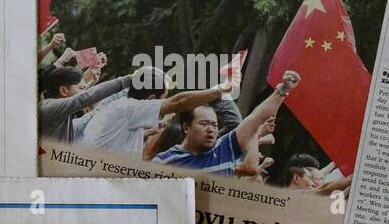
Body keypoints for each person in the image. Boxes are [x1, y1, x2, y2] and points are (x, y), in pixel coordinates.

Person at [156, 70, 300, 175]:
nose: (210, 129)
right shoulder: (163, 162)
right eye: (204, 123)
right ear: (186, 127)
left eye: (214, 125)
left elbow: (256, 118)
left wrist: (282, 90)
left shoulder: (225, 148)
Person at [80, 72, 235, 156]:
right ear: (152, 98)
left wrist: (148, 133)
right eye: (163, 98)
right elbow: (180, 102)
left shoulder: (123, 108)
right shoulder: (130, 108)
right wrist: (220, 91)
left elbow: (115, 140)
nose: (165, 102)